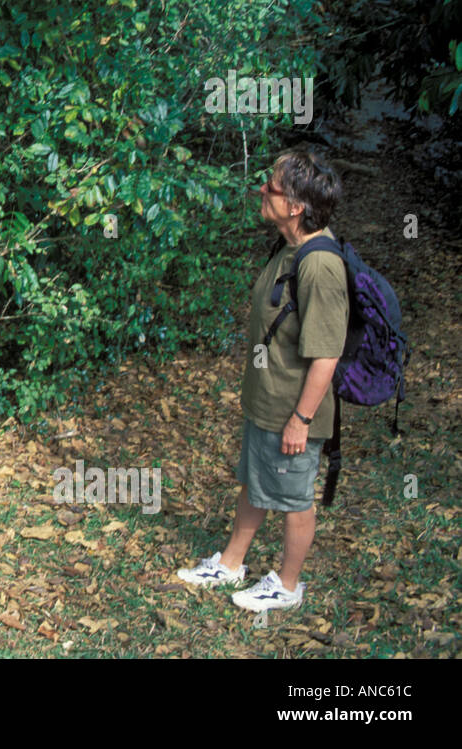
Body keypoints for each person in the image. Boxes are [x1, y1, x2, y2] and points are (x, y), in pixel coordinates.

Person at [177, 149, 347, 613]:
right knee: (254, 483)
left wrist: (301, 419)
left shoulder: (319, 265)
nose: (261, 190)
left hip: (294, 409)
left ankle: (288, 586)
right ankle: (232, 563)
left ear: (295, 206)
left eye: (271, 186)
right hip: (267, 402)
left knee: (294, 499)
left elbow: (327, 355)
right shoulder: (288, 248)